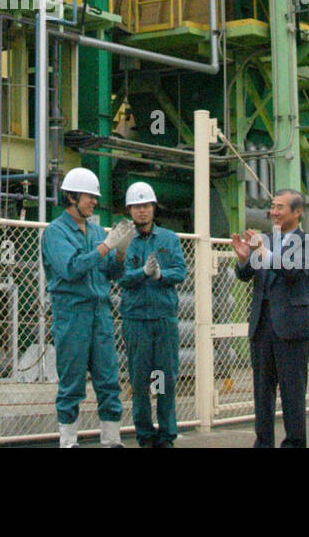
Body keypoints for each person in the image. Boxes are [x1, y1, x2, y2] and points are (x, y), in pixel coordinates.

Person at [42, 166, 136, 448]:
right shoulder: (55, 233)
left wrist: (121, 252)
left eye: (95, 197)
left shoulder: (96, 231)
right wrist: (107, 247)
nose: (94, 201)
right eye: (89, 197)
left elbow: (112, 272)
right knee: (72, 382)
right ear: (71, 197)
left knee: (109, 379)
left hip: (101, 313)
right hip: (72, 314)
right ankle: (68, 441)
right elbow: (71, 269)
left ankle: (111, 439)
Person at [232, 189, 309, 448]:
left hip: (292, 328)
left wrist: (264, 254)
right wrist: (245, 258)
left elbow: (295, 272)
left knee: (292, 393)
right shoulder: (265, 240)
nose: (275, 212)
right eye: (273, 207)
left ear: (297, 212)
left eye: (281, 207)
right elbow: (245, 274)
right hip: (262, 325)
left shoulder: (308, 242)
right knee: (262, 392)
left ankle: (294, 442)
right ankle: (263, 442)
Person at [118, 181, 187, 448]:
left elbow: (181, 271)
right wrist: (142, 273)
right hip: (137, 320)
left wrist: (161, 274)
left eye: (146, 206)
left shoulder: (169, 239)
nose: (142, 211)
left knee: (164, 378)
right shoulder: (125, 238)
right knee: (140, 379)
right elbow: (121, 277)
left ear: (153, 208)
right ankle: (145, 435)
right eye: (136, 207)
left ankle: (166, 434)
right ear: (130, 210)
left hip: (163, 318)